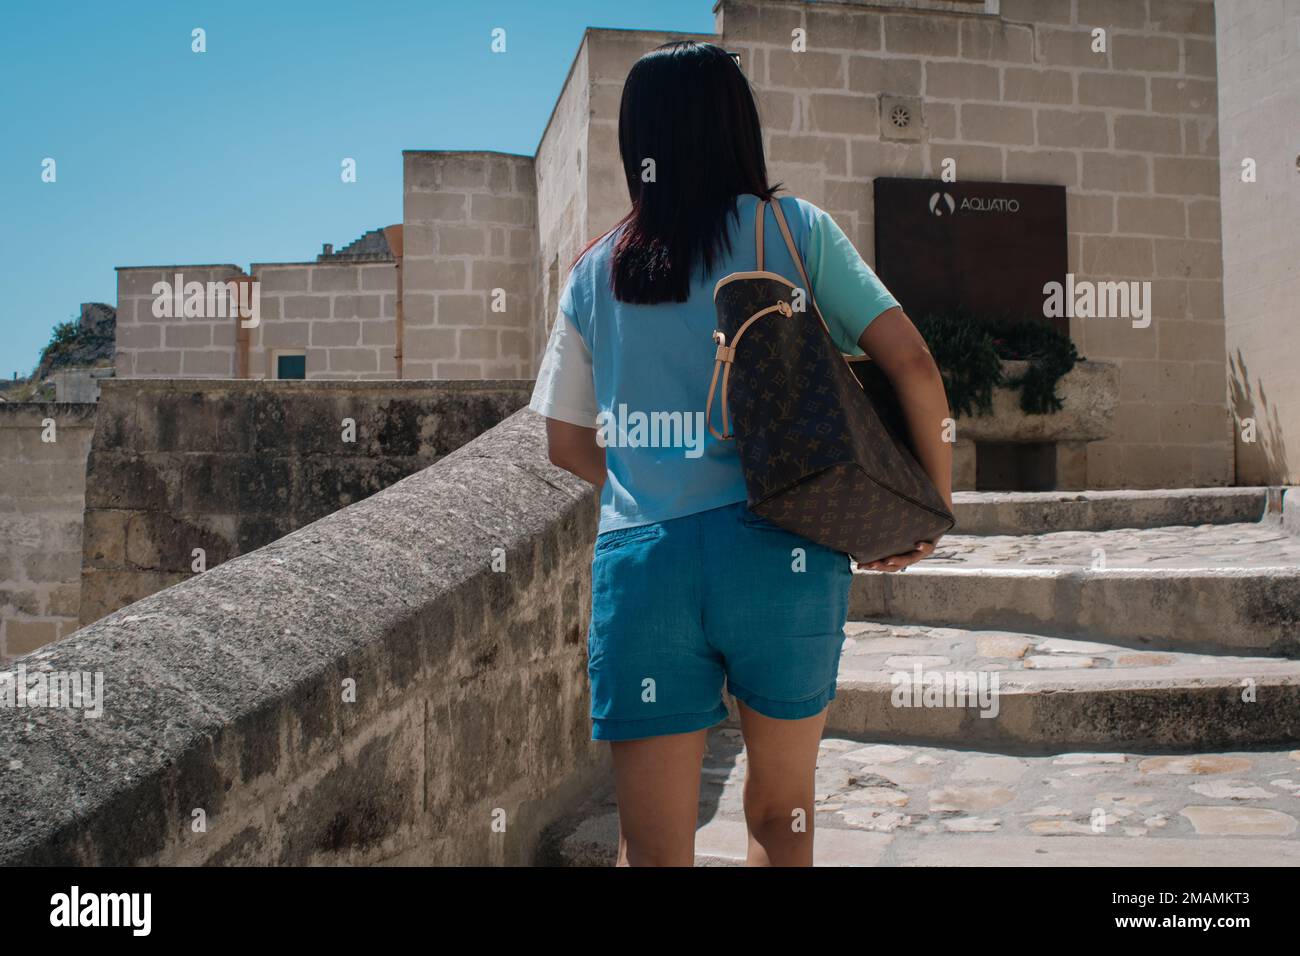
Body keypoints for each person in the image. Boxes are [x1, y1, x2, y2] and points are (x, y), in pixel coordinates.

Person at [528, 40, 953, 867]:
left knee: (652, 846)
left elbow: (564, 441)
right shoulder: (792, 231)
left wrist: (652, 490)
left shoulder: (592, 273)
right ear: (737, 126)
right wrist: (926, 505)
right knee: (780, 813)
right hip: (781, 551)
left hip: (642, 564)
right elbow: (913, 363)